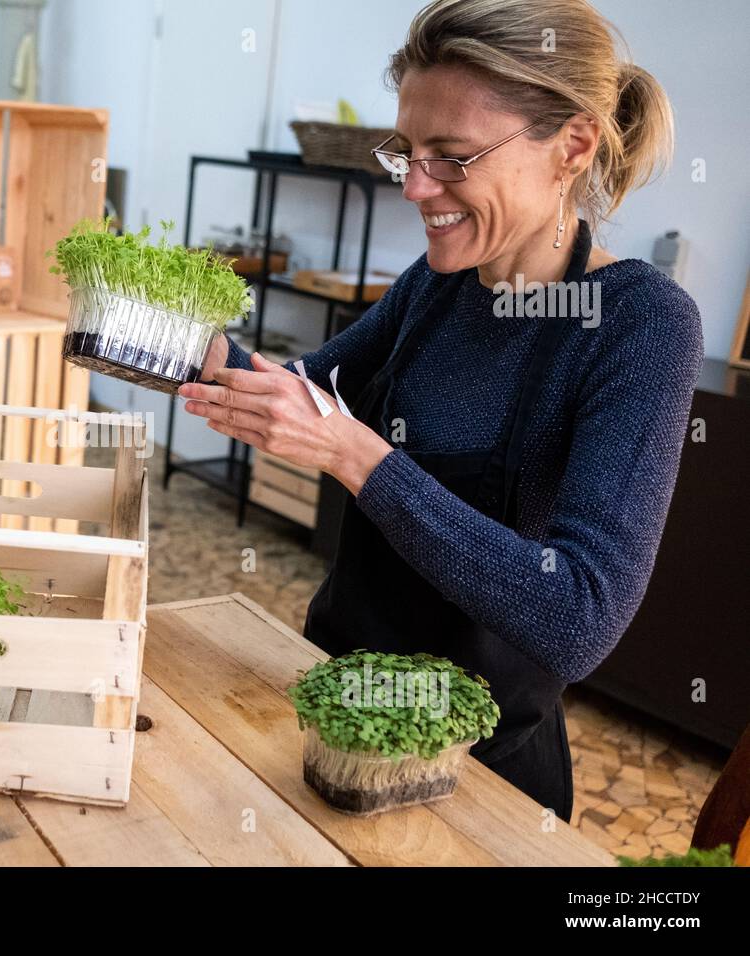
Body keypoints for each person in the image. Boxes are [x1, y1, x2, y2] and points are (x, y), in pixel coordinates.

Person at [178, 0, 702, 820]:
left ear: (572, 144)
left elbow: (579, 616)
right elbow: (296, 390)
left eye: (451, 157)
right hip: (334, 715)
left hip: (472, 775)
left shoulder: (640, 325)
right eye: (408, 153)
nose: (416, 187)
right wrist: (159, 338)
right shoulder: (436, 286)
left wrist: (357, 455)